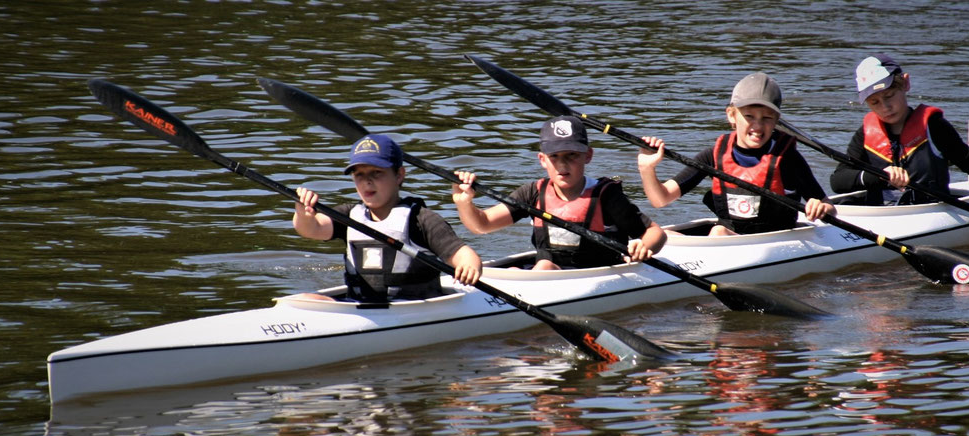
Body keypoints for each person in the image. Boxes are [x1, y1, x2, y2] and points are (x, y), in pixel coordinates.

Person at [830, 53, 969, 240]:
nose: (885, 107)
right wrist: (877, 176)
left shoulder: (935, 127)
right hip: (879, 219)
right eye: (875, 102)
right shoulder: (865, 134)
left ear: (905, 83)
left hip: (930, 213)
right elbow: (838, 181)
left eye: (889, 96)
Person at [452, 116, 666, 270]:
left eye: (572, 155)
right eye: (554, 156)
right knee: (528, 268)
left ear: (588, 156)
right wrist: (464, 203)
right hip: (547, 276)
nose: (563, 164)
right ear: (542, 160)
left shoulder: (605, 196)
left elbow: (656, 233)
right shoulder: (533, 192)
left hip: (595, 273)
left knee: (544, 266)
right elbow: (482, 224)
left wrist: (643, 248)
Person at [636, 72, 835, 236]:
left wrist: (821, 208)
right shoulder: (712, 156)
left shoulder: (787, 159)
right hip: (730, 240)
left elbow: (829, 208)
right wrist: (646, 167)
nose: (757, 126)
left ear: (777, 120)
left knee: (718, 233)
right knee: (664, 234)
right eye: (749, 116)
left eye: (767, 118)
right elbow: (660, 199)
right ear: (731, 115)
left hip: (773, 239)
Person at [292, 134, 481, 302]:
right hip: (358, 305)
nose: (367, 181)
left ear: (399, 175)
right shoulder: (349, 215)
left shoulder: (422, 220)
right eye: (359, 174)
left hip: (416, 309)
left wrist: (469, 267)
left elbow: (466, 256)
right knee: (302, 299)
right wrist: (303, 213)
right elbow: (312, 228)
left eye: (377, 172)